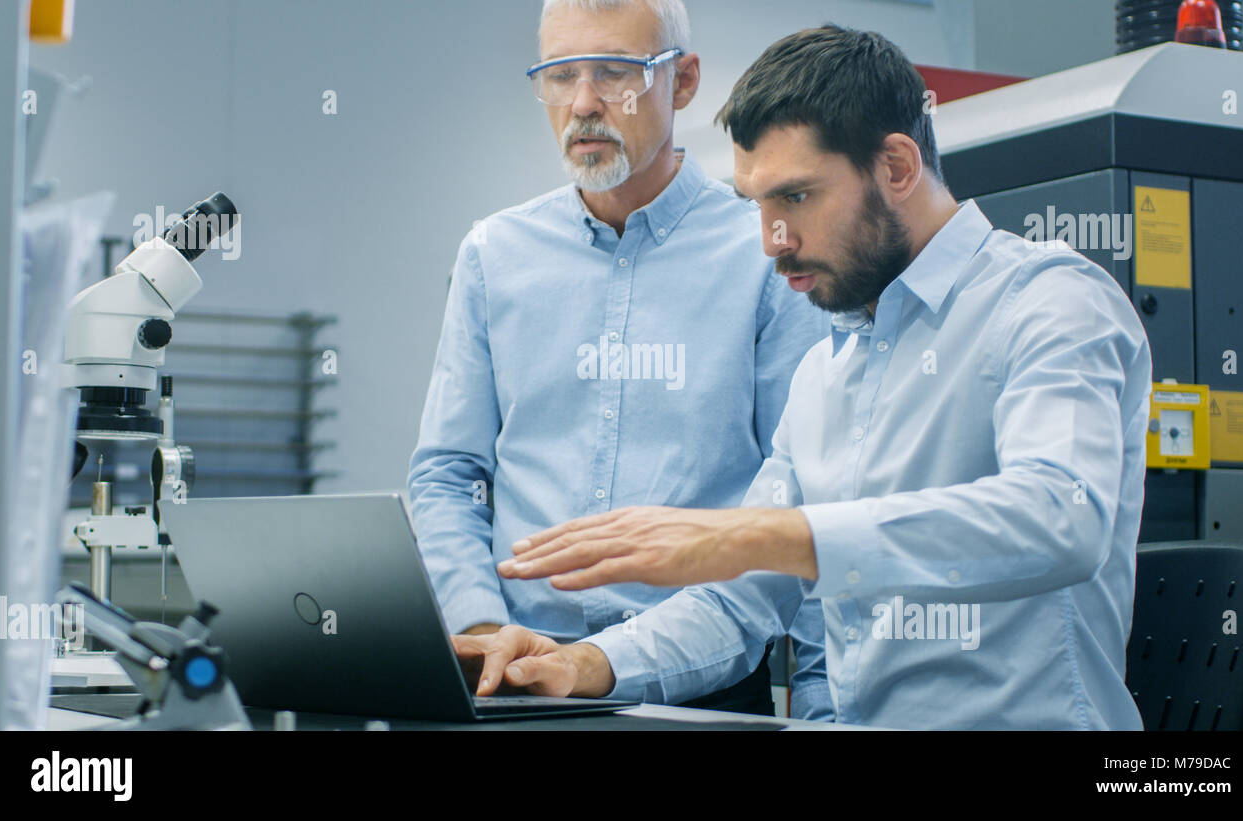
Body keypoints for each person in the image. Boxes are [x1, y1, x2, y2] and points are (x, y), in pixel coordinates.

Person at [455, 24, 1153, 730]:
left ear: (898, 168)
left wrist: (765, 536)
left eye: (794, 198)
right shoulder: (828, 367)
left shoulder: (1052, 300)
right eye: (757, 204)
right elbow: (740, 600)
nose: (771, 241)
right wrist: (580, 664)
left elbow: (1060, 515)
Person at [408, 0, 832, 718]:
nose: (583, 103)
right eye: (560, 74)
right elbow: (448, 474)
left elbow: (796, 510)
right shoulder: (494, 255)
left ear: (685, 81)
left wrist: (823, 705)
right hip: (511, 680)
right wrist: (480, 631)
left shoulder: (766, 254)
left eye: (615, 72)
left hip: (701, 693)